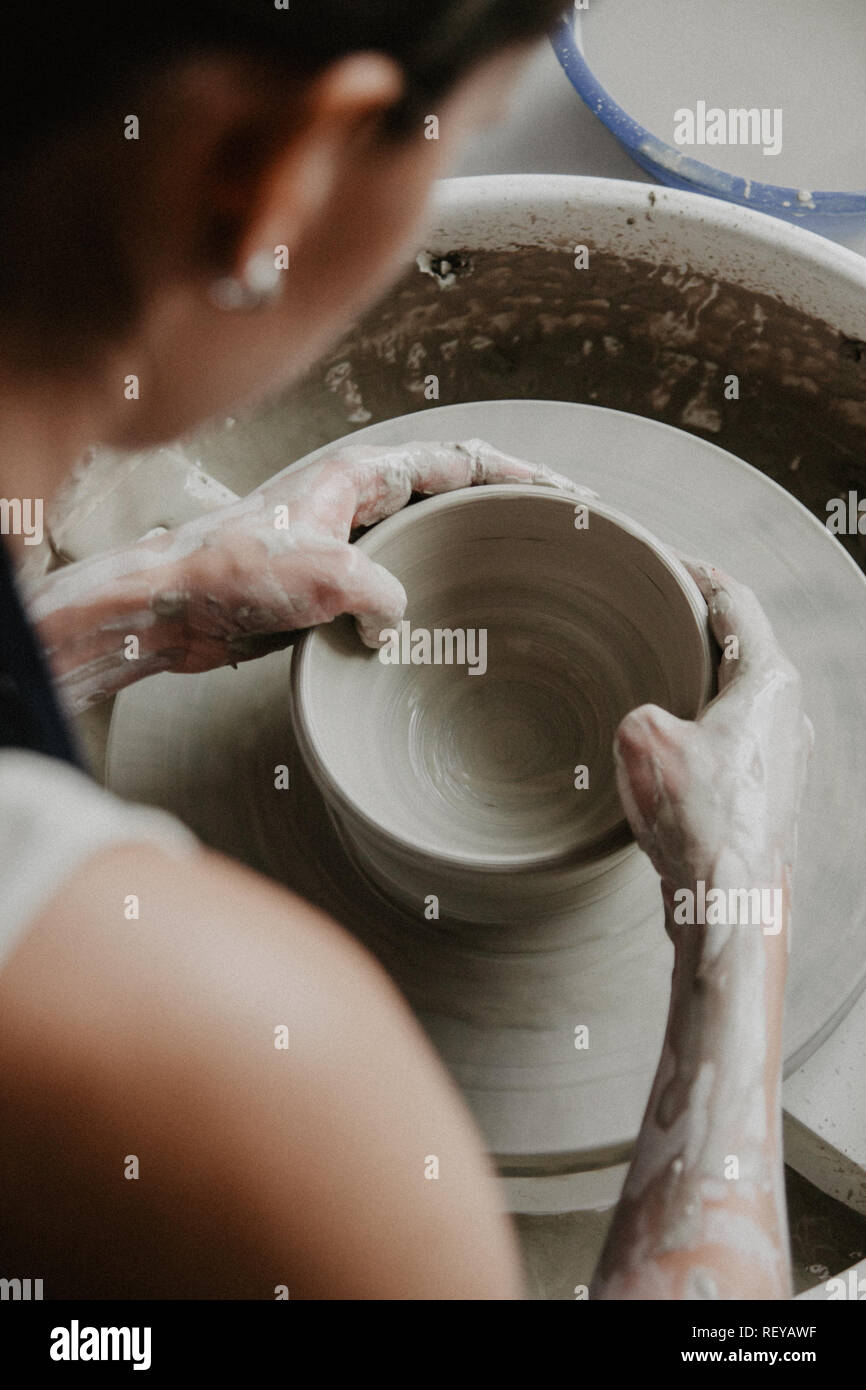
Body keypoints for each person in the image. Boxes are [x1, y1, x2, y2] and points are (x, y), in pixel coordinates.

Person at [0, 3, 811, 1299]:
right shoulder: (249, 1077)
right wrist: (736, 912)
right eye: (466, 134)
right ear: (273, 177)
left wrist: (146, 606)